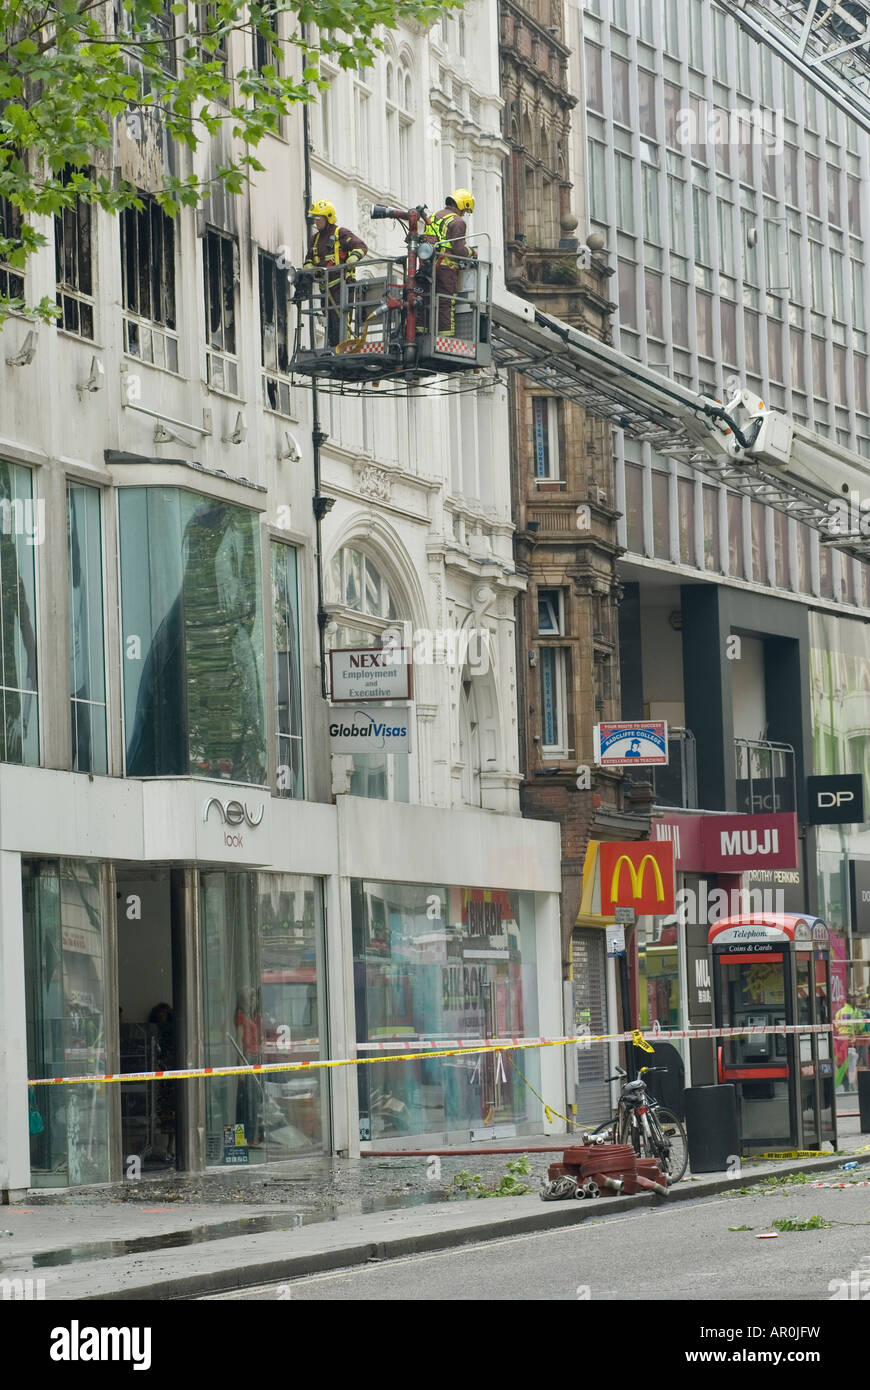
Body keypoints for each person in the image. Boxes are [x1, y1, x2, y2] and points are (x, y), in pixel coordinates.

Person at [303, 199, 368, 346]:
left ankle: (343, 347)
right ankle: (333, 348)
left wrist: (353, 256)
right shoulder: (315, 240)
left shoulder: (341, 233)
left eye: (318, 218)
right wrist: (308, 266)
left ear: (328, 217)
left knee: (341, 321)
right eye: (314, 218)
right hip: (326, 290)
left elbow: (361, 246)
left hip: (343, 286)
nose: (316, 222)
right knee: (329, 323)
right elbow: (309, 259)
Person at [421, 189, 476, 335]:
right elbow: (459, 250)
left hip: (426, 266)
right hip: (445, 268)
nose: (464, 213)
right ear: (462, 205)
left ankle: (421, 331)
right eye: (465, 210)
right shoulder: (457, 221)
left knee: (424, 298)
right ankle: (446, 338)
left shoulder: (434, 216)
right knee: (445, 302)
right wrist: (472, 253)